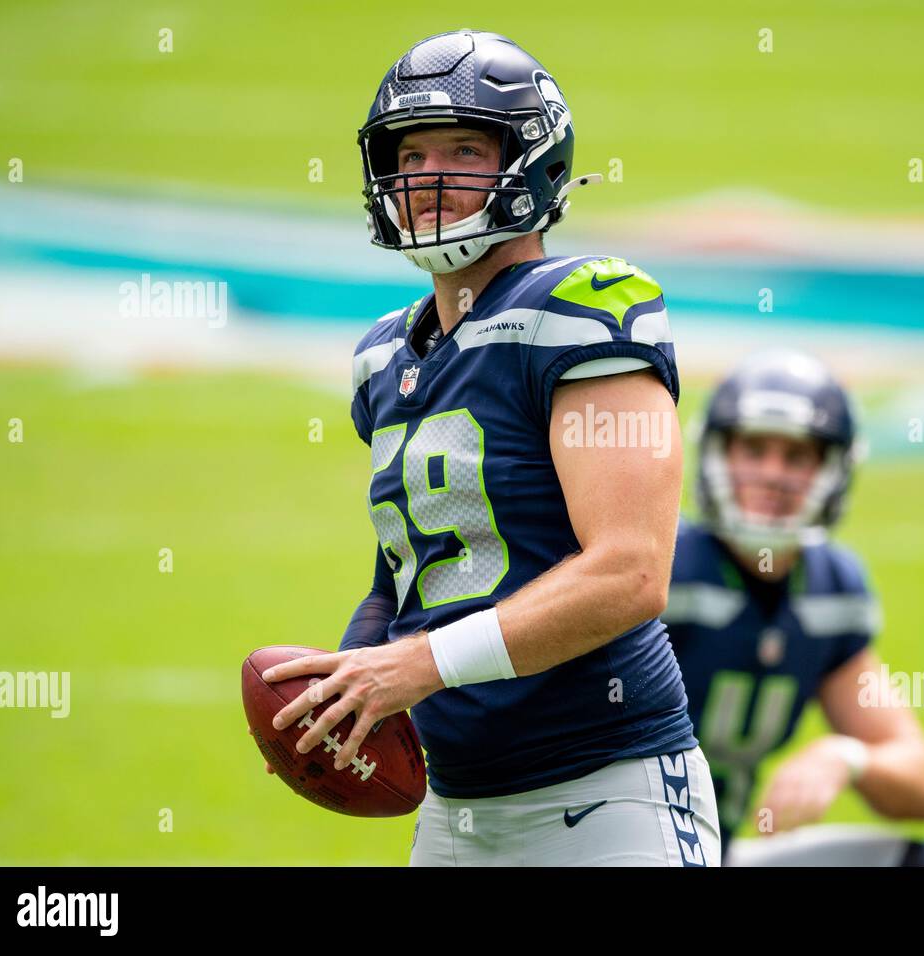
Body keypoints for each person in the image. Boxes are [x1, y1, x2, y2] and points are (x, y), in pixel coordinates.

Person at [255, 29, 719, 867]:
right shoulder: (384, 354)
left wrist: (418, 667)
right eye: (410, 152)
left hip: (607, 794)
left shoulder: (582, 310)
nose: (427, 178)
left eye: (464, 149)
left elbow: (632, 572)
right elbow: (410, 576)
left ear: (531, 162)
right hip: (457, 811)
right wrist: (348, 685)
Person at [664, 351, 924, 866]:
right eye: (754, 449)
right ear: (718, 453)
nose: (772, 474)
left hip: (721, 851)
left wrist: (846, 756)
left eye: (797, 456)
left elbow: (922, 786)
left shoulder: (831, 591)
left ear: (832, 470)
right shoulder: (661, 565)